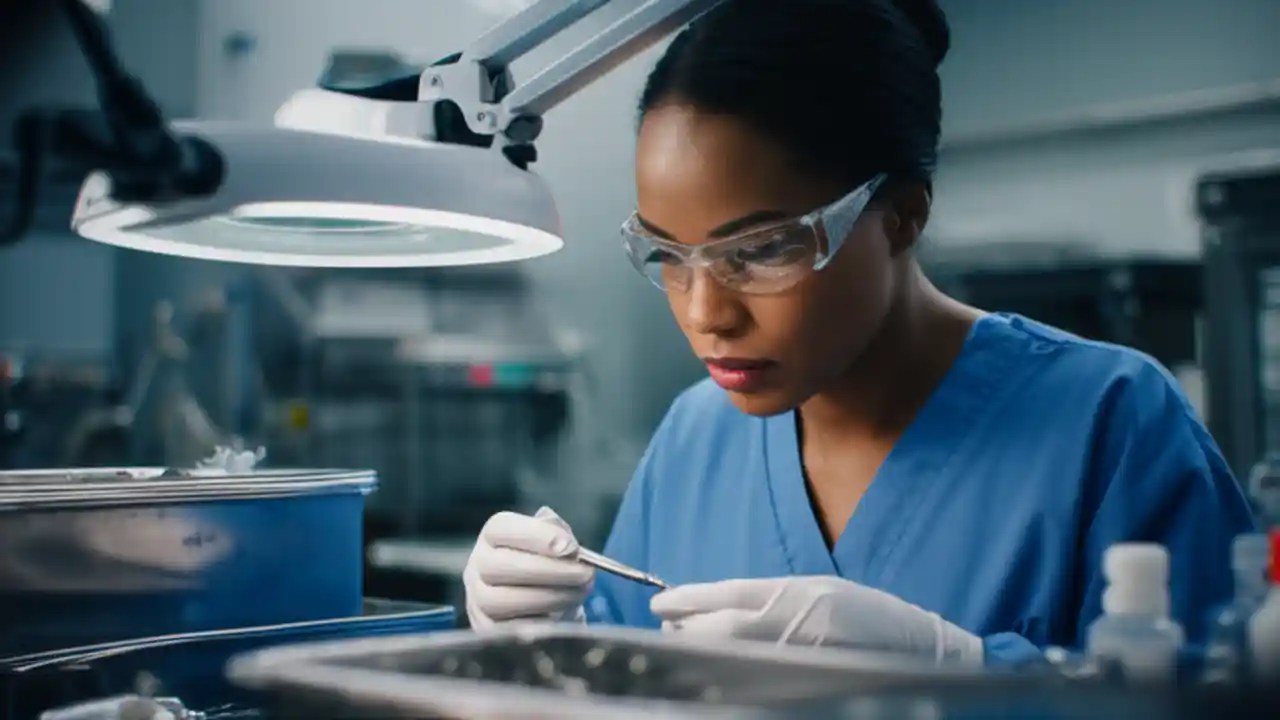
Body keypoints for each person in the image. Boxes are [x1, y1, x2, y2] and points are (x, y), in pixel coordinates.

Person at [462, 0, 1256, 666]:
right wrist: (548, 638)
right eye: (668, 255)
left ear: (904, 213)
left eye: (762, 249)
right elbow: (625, 674)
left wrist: (976, 677)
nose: (706, 314)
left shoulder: (1112, 423)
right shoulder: (694, 440)